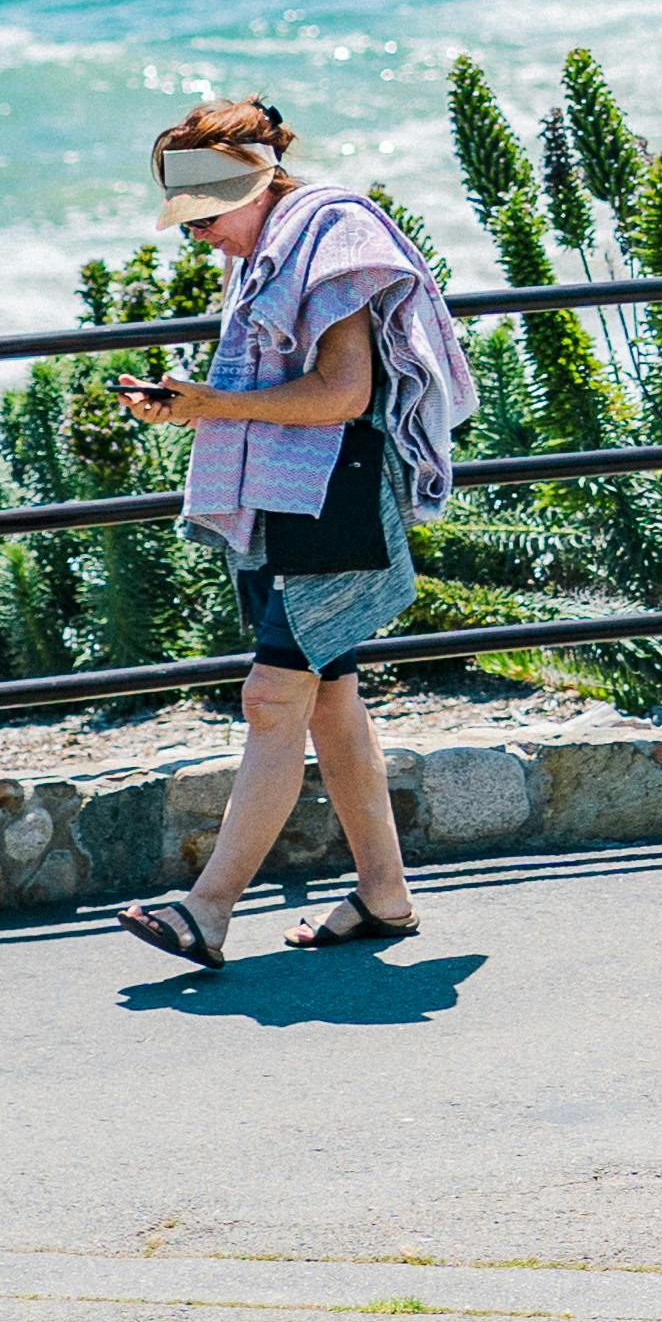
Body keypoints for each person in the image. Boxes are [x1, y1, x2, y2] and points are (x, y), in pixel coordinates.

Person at [106, 98, 482, 970]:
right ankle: (385, 895)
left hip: (333, 496)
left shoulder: (328, 235)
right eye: (188, 223)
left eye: (206, 216)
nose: (200, 236)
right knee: (331, 701)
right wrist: (194, 405)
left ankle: (206, 910)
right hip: (294, 498)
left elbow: (344, 394)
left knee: (273, 700)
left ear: (255, 186)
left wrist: (212, 404)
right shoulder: (272, 248)